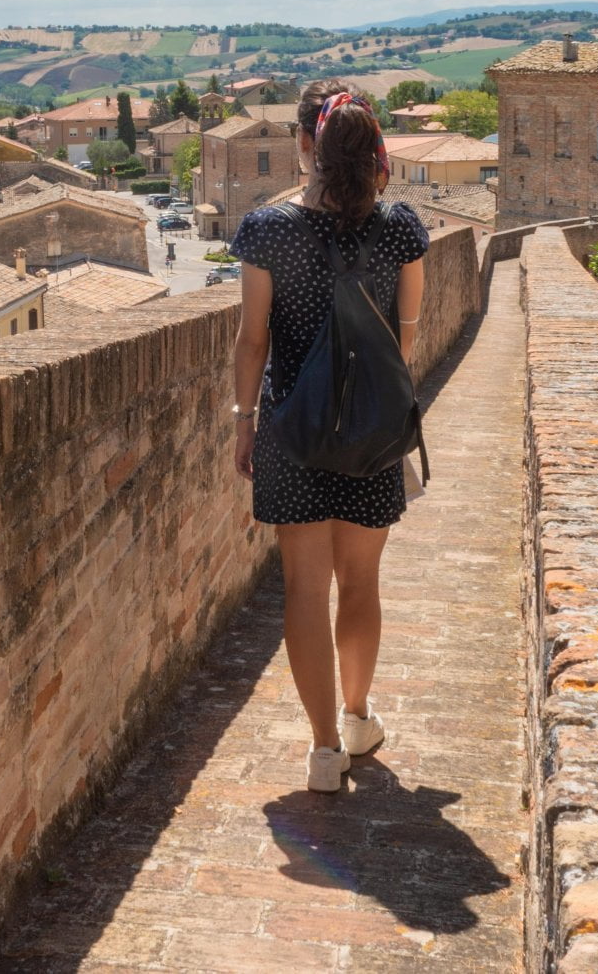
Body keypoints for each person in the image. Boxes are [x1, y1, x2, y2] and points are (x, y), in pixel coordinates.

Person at [229, 79, 429, 793]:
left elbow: (252, 342)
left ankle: (321, 751)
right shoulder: (401, 228)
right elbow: (406, 337)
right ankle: (355, 716)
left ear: (306, 146)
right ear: (376, 151)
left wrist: (243, 422)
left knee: (304, 590)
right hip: (371, 434)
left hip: (291, 429)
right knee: (361, 581)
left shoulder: (267, 232)